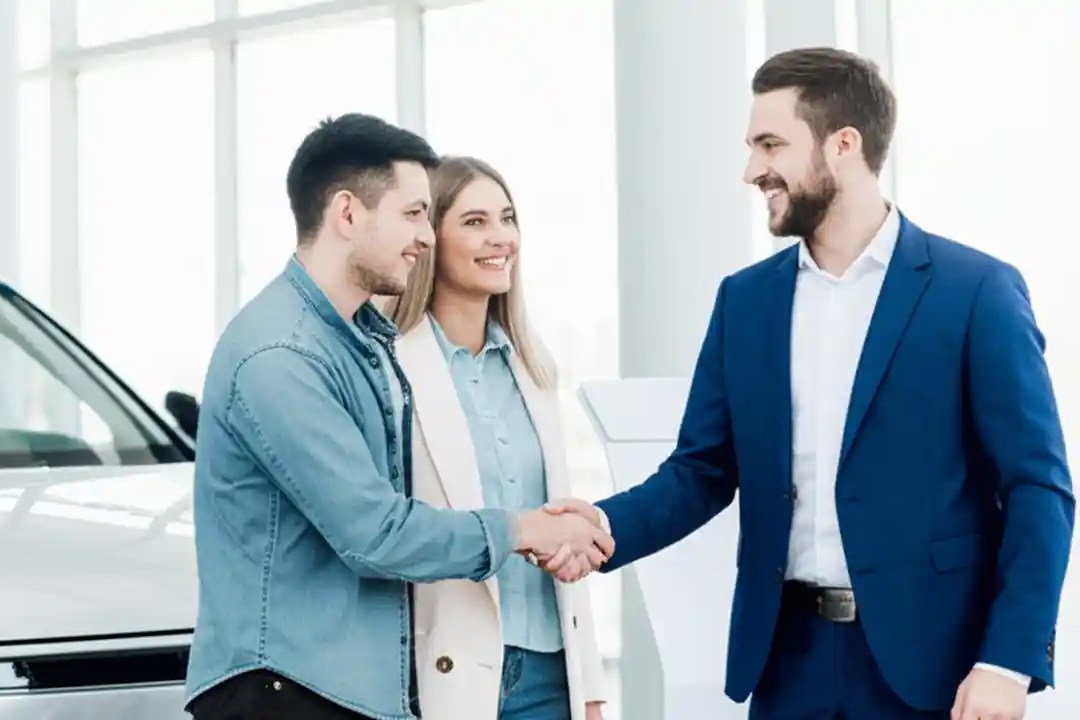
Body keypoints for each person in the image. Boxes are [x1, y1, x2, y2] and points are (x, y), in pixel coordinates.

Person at [547, 47, 1073, 720]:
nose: (751, 170)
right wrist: (600, 526)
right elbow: (701, 471)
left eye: (770, 144)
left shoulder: (976, 292)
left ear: (844, 145)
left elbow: (1037, 488)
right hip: (787, 663)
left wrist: (1007, 661)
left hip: (934, 666)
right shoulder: (746, 302)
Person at [183, 113, 614, 720]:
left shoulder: (356, 343)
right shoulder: (281, 354)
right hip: (287, 692)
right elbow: (376, 533)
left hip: (345, 688)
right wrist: (522, 531)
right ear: (348, 214)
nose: (426, 236)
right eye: (413, 214)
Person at [385, 156, 607, 720]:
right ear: (429, 238)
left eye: (507, 218)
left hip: (550, 674)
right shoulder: (392, 368)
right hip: (447, 672)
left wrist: (590, 690)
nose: (501, 237)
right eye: (475, 221)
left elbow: (557, 519)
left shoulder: (533, 368)